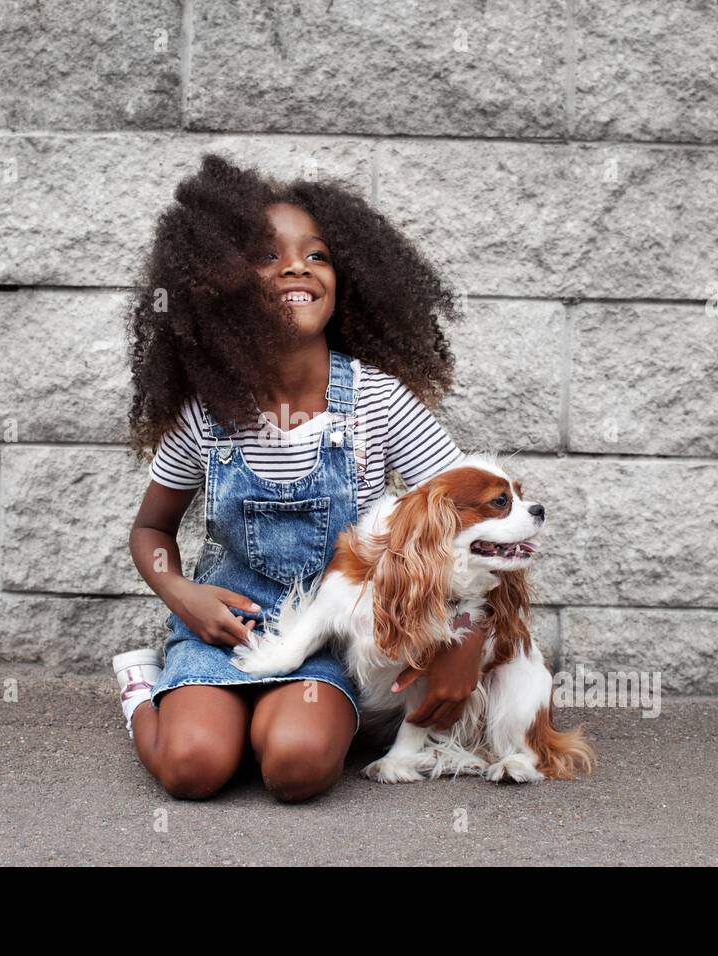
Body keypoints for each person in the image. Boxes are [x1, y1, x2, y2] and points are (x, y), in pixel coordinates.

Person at [114, 153, 492, 803]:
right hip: (220, 632)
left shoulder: (377, 401)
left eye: (317, 256)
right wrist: (181, 594)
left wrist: (467, 637)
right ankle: (142, 689)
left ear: (349, 280)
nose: (296, 266)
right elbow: (151, 527)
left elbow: (475, 515)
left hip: (330, 639)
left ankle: (275, 719)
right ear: (221, 284)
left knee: (296, 767)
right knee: (193, 767)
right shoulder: (208, 413)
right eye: (268, 255)